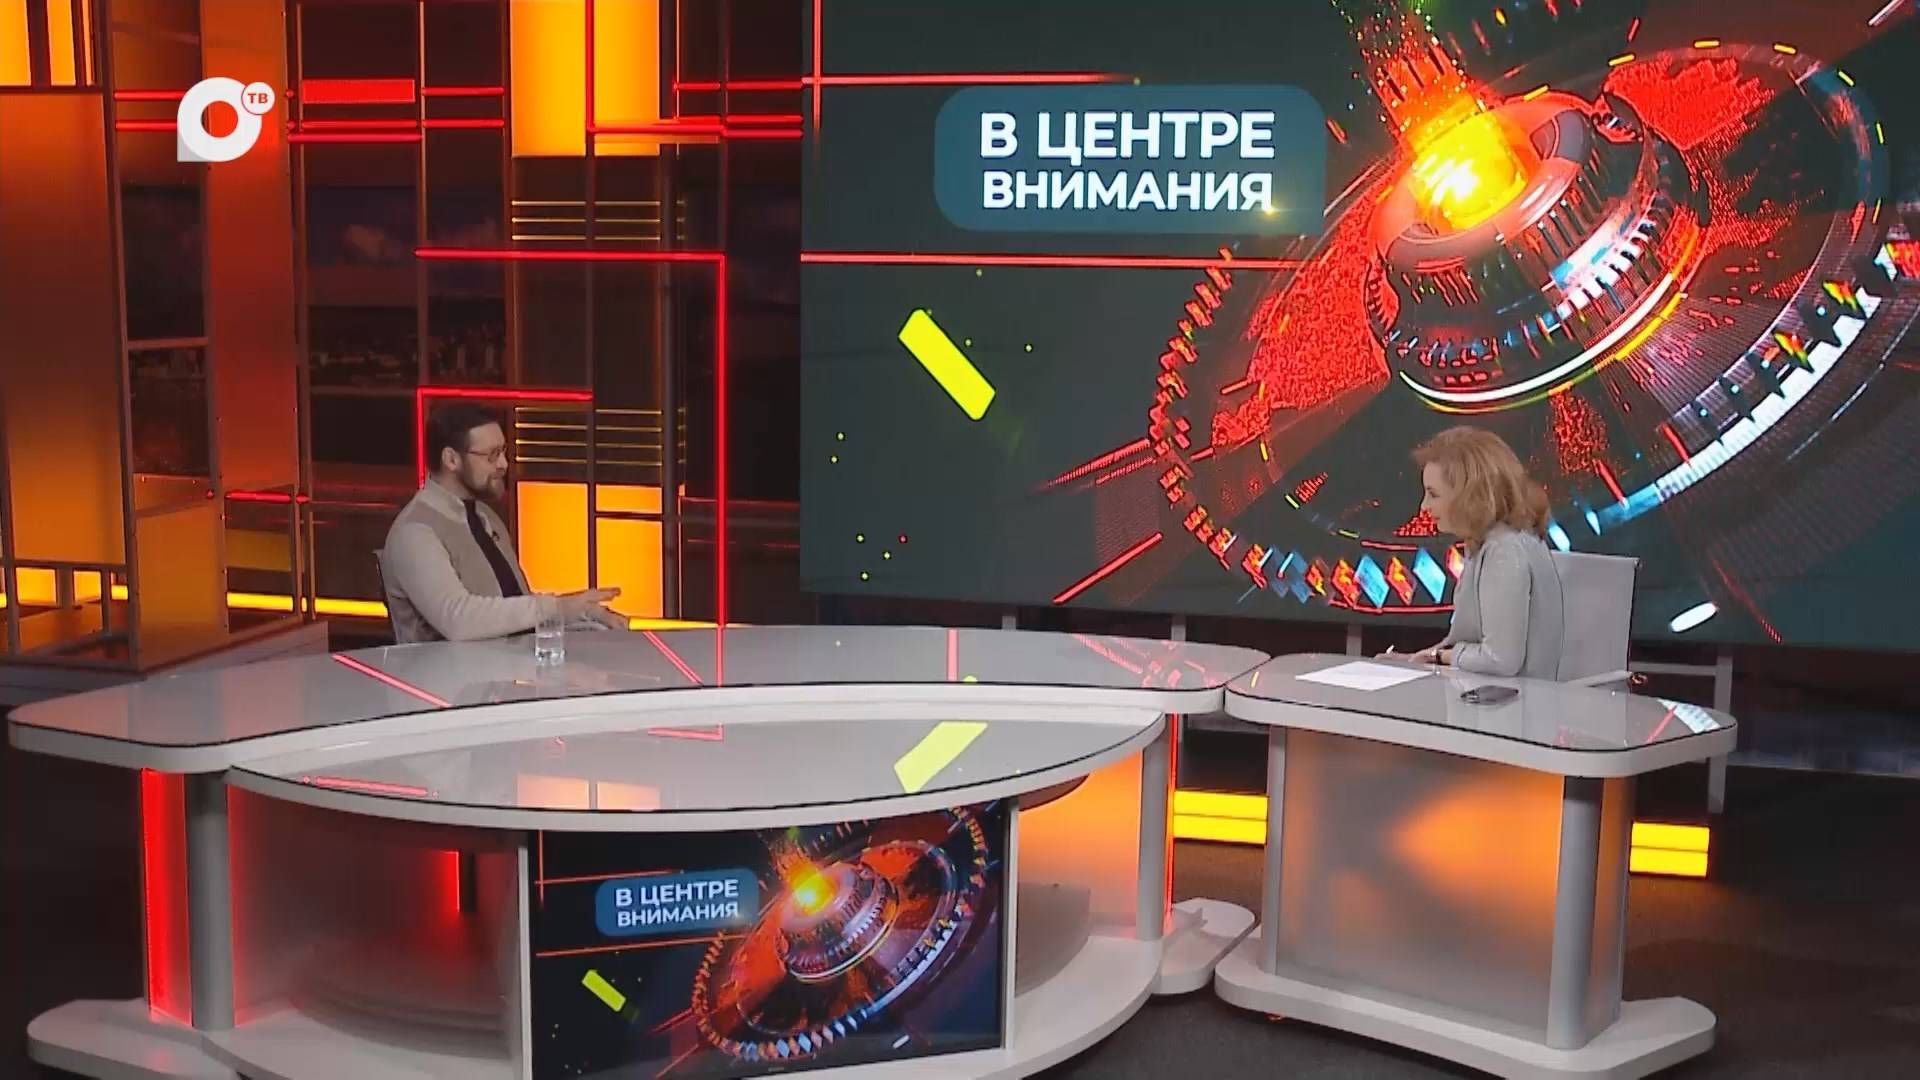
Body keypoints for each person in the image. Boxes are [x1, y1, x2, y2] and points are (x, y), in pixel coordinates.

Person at [381, 403, 623, 643]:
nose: (503, 464)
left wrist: (582, 613)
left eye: (503, 452)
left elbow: (517, 612)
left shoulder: (486, 517)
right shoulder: (415, 532)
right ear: (451, 459)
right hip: (449, 669)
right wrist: (557, 608)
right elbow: (458, 620)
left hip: (512, 662)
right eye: (492, 455)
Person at [1380, 426, 1564, 679]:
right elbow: (1474, 648)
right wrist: (1416, 660)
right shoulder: (1491, 542)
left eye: (1433, 494)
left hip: (1511, 702)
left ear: (1469, 495)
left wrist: (1439, 657)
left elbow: (1501, 660)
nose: (1424, 506)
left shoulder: (1504, 551)